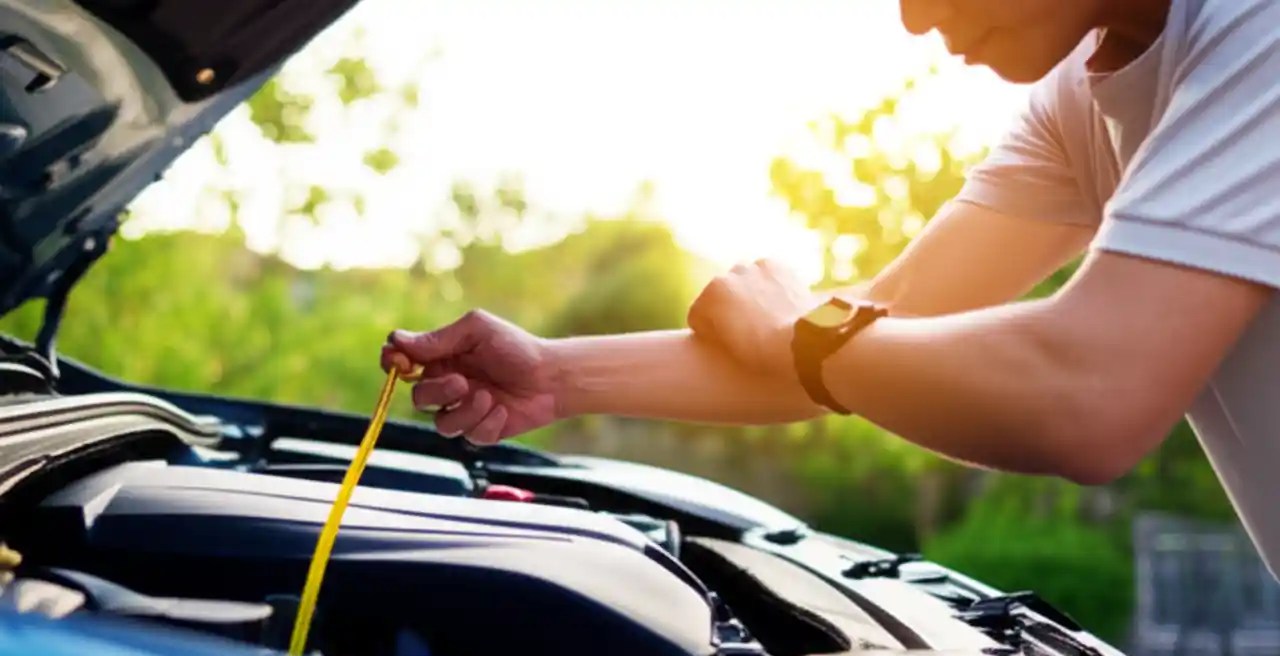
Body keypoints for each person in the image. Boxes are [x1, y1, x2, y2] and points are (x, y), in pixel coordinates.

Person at [382, 0, 1280, 574]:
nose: (914, 17)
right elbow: (871, 340)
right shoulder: (1077, 104)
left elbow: (1086, 397)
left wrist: (803, 335)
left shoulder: (1259, 30)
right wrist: (554, 373)